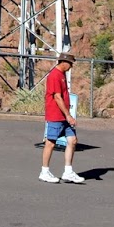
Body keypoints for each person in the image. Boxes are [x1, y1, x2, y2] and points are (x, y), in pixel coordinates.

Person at [39, 52, 84, 183]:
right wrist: (68, 115)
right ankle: (44, 171)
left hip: (64, 116)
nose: (71, 67)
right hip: (56, 115)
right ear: (64, 63)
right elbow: (57, 97)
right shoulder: (54, 75)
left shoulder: (62, 75)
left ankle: (68, 172)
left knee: (72, 140)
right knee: (51, 142)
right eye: (70, 64)